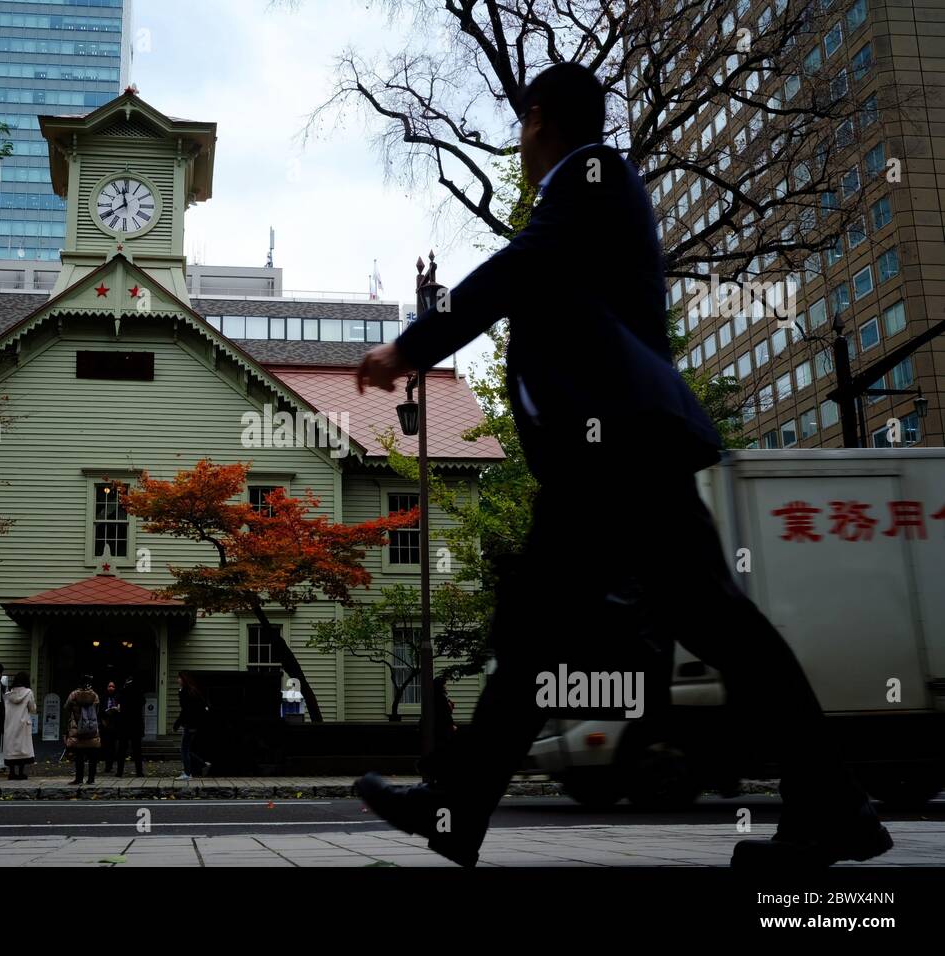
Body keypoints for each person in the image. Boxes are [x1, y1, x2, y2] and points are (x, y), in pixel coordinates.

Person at [353, 62, 890, 869]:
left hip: (617, 452)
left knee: (653, 624)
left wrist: (410, 346)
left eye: (523, 122)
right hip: (616, 449)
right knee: (667, 625)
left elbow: (518, 270)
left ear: (537, 118)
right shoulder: (594, 191)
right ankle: (831, 804)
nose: (521, 138)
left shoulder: (593, 178)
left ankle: (457, 810)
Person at [63, 677, 102, 786]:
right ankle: (91, 779)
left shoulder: (73, 695)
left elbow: (66, 707)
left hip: (77, 729)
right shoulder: (94, 695)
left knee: (79, 756)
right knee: (92, 756)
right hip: (91, 728)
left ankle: (79, 779)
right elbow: (97, 710)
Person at [173, 672, 210, 780]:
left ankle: (187, 774)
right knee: (186, 749)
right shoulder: (193, 690)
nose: (177, 680)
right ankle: (203, 764)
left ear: (183, 679)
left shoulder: (184, 692)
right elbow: (203, 705)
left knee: (184, 749)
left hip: (189, 724)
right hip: (195, 723)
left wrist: (177, 724)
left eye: (179, 678)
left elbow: (185, 710)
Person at [3, 672, 36, 781]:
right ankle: (21, 773)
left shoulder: (8, 694)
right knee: (23, 747)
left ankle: (12, 773)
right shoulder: (28, 692)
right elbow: (32, 709)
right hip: (23, 724)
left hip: (10, 723)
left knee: (11, 747)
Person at [114, 675, 145, 778]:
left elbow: (117, 699)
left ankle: (119, 772)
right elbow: (143, 702)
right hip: (136, 724)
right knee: (137, 750)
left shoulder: (123, 691)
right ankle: (139, 772)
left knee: (122, 750)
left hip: (124, 724)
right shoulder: (139, 691)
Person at [100, 679, 120, 773]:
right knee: (106, 745)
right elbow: (100, 710)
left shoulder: (118, 697)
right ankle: (107, 765)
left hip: (115, 724)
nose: (111, 688)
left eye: (113, 686)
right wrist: (102, 720)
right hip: (105, 723)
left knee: (113, 746)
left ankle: (111, 764)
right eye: (109, 686)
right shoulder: (103, 697)